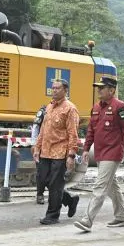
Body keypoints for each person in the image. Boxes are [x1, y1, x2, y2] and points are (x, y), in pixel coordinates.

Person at [74, 76, 124, 232]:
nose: (99, 90)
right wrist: (86, 149)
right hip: (100, 152)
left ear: (112, 90)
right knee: (111, 186)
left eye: (102, 87)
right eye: (98, 87)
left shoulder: (120, 107)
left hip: (113, 152)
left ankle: (87, 220)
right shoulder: (96, 108)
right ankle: (121, 216)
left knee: (100, 185)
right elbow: (91, 130)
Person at [33, 79, 80, 225]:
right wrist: (37, 148)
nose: (54, 90)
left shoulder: (70, 109)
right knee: (43, 180)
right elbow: (43, 130)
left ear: (65, 90)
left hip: (60, 152)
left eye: (57, 88)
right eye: (52, 88)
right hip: (45, 151)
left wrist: (71, 155)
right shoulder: (49, 107)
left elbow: (73, 134)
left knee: (55, 184)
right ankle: (69, 199)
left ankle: (52, 215)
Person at [32, 104, 47, 204]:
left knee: (56, 175)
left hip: (57, 148)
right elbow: (36, 127)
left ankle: (63, 197)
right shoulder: (44, 110)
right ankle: (40, 194)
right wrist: (34, 144)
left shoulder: (67, 109)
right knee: (41, 173)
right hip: (43, 147)